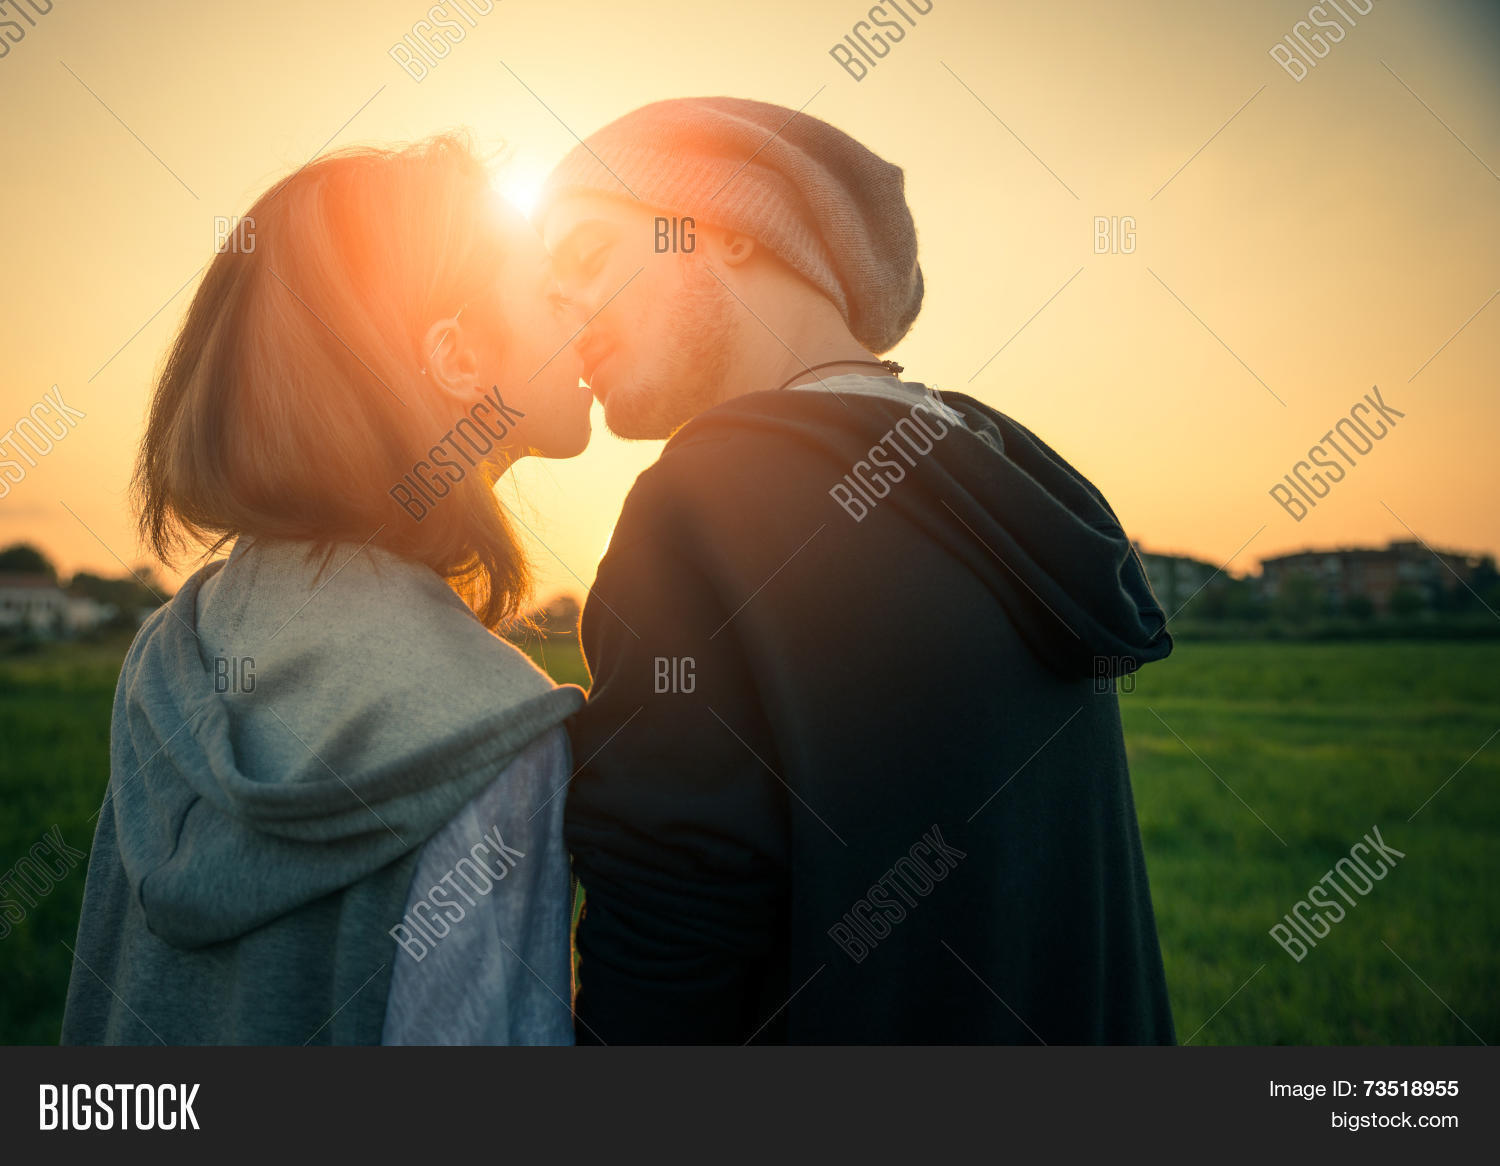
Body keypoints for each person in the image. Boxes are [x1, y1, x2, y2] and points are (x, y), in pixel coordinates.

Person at [538, 97, 1176, 1044]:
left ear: (731, 228)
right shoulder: (1005, 480)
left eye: (588, 259)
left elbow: (666, 961)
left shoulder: (705, 502)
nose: (567, 317)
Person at [62, 134, 593, 1045]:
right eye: (550, 292)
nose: (587, 311)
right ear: (457, 357)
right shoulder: (493, 731)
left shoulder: (171, 651)